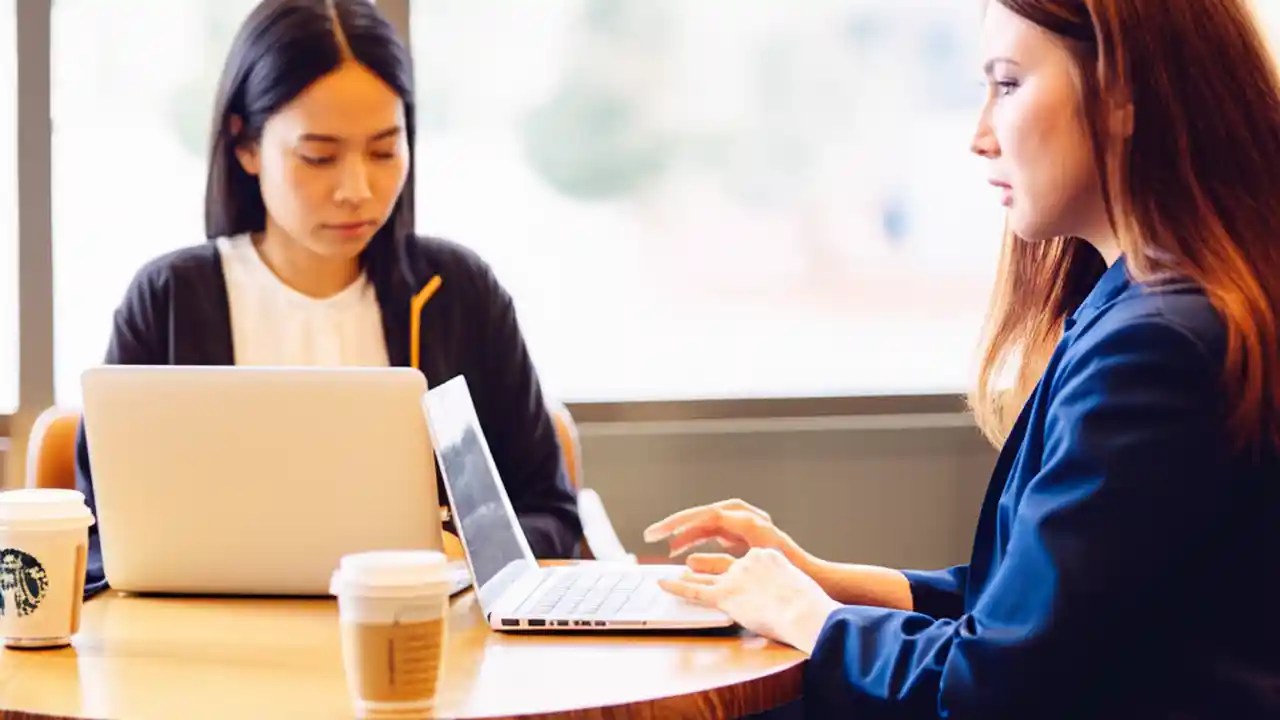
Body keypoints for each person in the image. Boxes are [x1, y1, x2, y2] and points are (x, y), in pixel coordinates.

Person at [647, 1, 1280, 717]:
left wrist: (806, 617)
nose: (980, 137)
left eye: (1007, 85)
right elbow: (1040, 611)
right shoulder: (1153, 309)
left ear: (1125, 93)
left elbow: (992, 685)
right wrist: (821, 582)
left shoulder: (1156, 346)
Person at [75, 0, 582, 597]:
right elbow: (100, 537)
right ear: (245, 145)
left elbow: (550, 513)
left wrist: (462, 553)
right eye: (318, 156)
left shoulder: (458, 295)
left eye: (385, 151)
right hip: (212, 657)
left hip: (419, 647)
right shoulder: (168, 302)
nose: (357, 190)